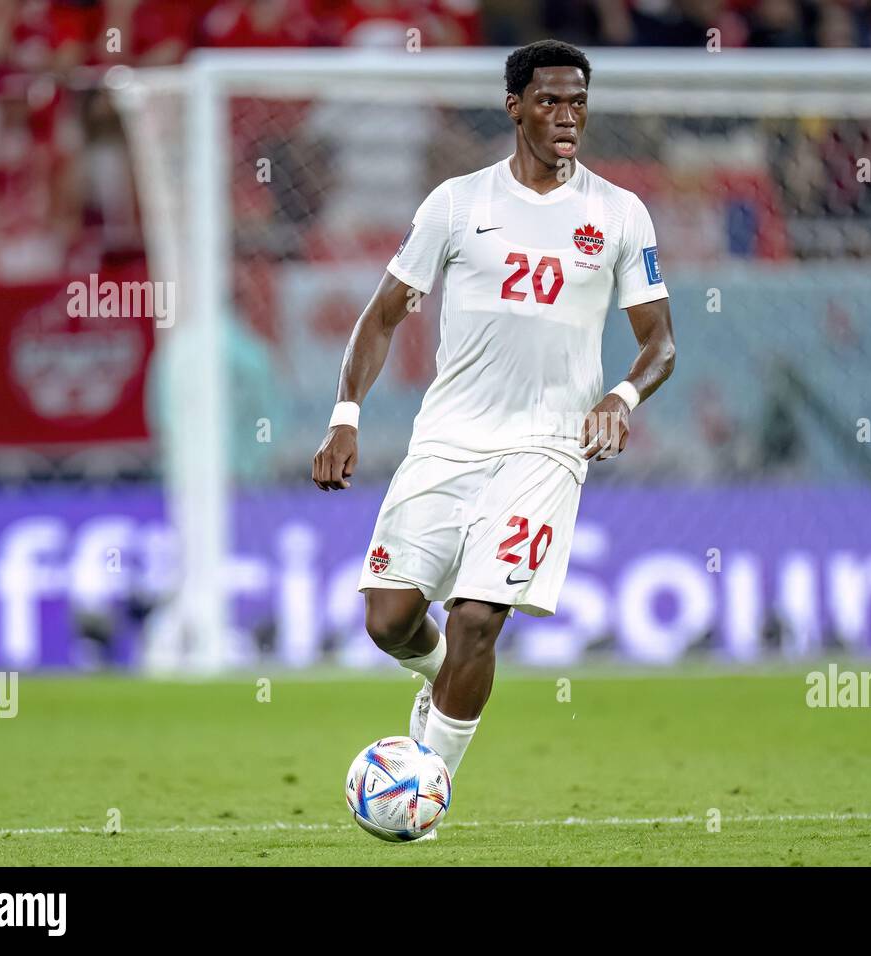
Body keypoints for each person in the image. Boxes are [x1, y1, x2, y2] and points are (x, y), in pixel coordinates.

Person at [310, 40, 676, 826]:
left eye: (578, 101)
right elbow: (380, 318)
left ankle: (424, 788)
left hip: (548, 448)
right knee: (389, 619)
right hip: (446, 439)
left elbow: (661, 343)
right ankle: (442, 681)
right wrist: (346, 417)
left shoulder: (617, 213)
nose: (567, 116)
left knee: (479, 618)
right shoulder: (455, 204)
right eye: (549, 101)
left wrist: (619, 399)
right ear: (515, 107)